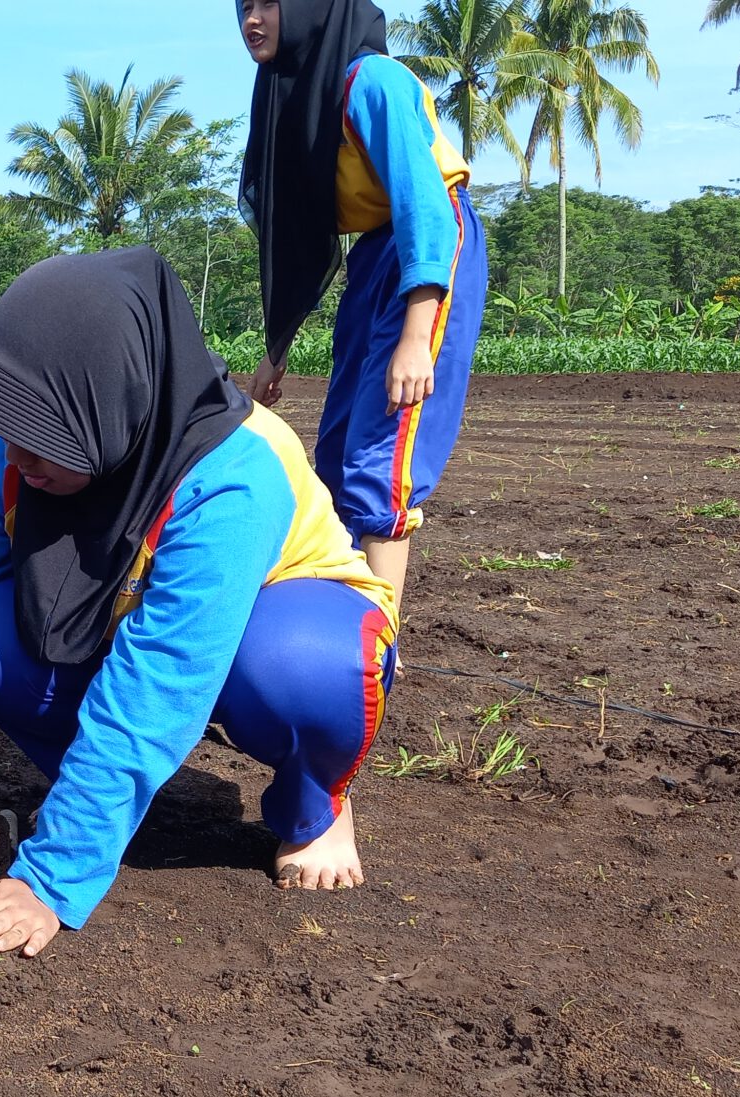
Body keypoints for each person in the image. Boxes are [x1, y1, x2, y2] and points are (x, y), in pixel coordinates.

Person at [0, 250, 399, 959]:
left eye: (46, 435)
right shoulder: (14, 451)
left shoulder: (235, 473)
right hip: (126, 625)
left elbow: (159, 679)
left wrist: (48, 878)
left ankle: (314, 805)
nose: (16, 455)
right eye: (12, 428)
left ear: (116, 400)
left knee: (301, 668)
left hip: (273, 634)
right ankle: (111, 803)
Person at [237, 0, 487, 627]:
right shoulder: (287, 95)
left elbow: (422, 200)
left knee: (382, 453)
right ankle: (336, 627)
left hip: (427, 248)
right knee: (338, 449)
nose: (251, 19)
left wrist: (415, 333)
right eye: (242, 6)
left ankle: (374, 654)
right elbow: (296, 238)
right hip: (375, 255)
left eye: (268, 3)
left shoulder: (369, 80)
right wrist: (277, 346)